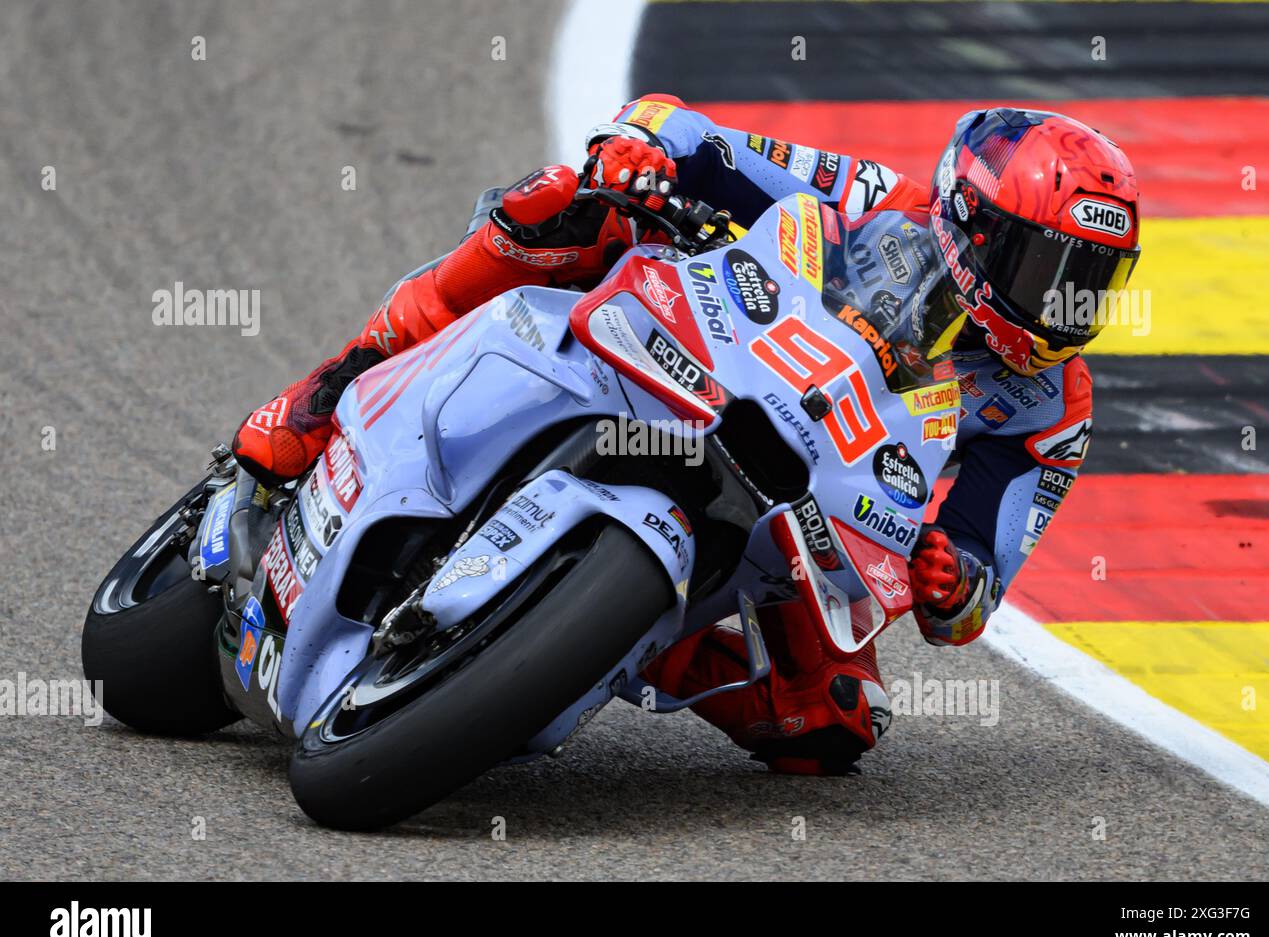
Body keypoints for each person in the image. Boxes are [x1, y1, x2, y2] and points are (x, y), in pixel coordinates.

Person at [231, 96, 1140, 774]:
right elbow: (694, 136)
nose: (1065, 302)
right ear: (974, 222)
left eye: (1094, 280)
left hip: (815, 496)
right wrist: (638, 150)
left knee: (834, 722)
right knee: (574, 204)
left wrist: (954, 580)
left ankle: (611, 641)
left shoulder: (1054, 403)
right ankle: (336, 383)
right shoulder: (876, 201)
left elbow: (977, 583)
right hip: (705, 349)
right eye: (1049, 266)